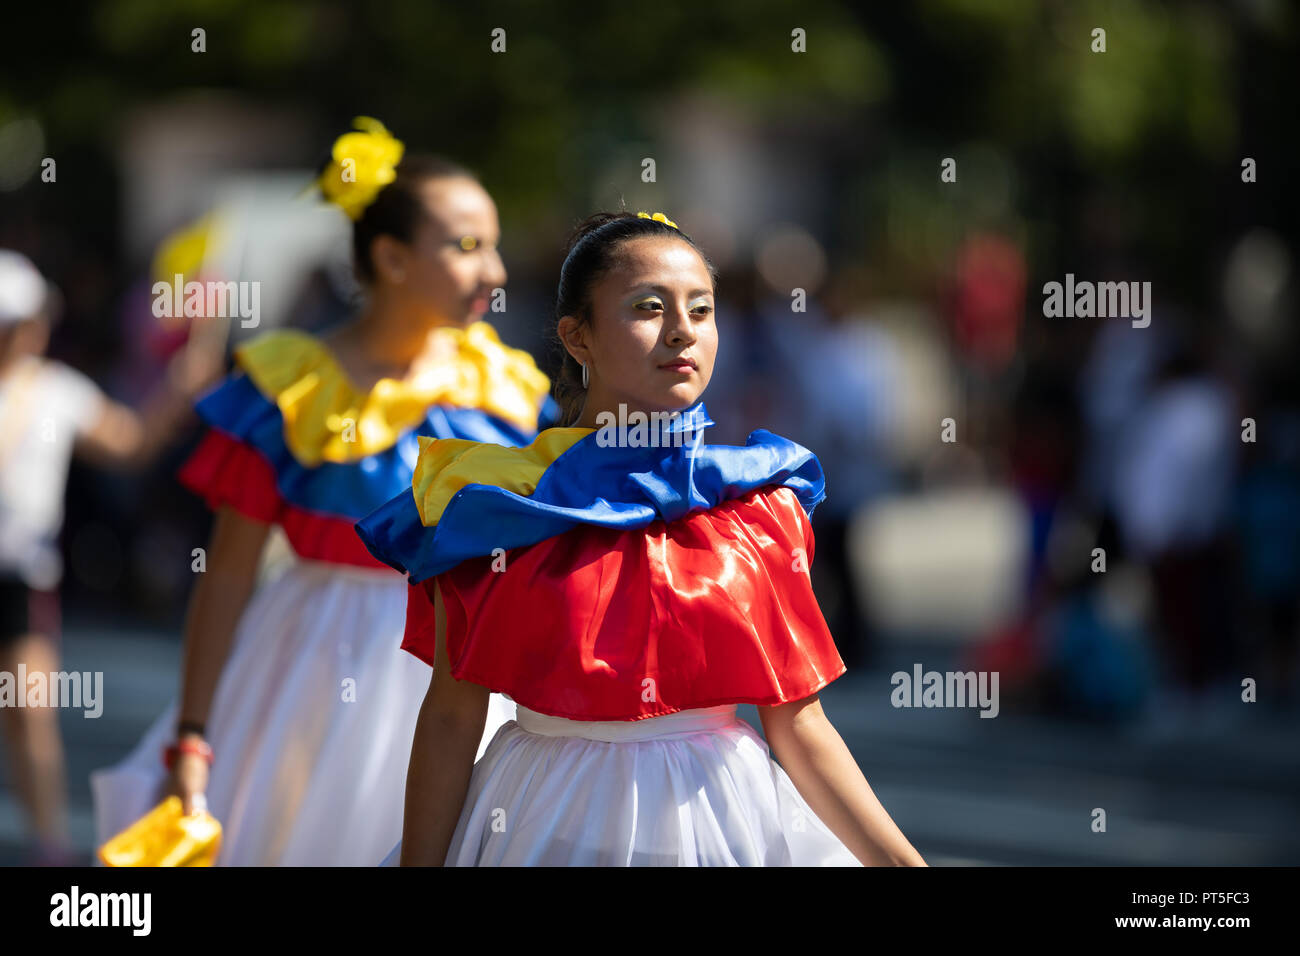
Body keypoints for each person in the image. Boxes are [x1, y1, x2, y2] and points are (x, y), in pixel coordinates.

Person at [357, 211, 926, 866]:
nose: (683, 331)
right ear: (578, 337)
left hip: (724, 826)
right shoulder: (492, 507)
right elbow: (454, 717)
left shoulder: (762, 504)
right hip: (544, 820)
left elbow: (800, 728)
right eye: (648, 307)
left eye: (703, 309)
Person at [91, 118, 553, 865]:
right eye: (467, 246)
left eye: (493, 245)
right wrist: (195, 733)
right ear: (392, 258)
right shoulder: (292, 384)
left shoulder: (502, 389)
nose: (495, 271)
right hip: (310, 664)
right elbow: (230, 571)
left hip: (464, 665)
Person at [0, 249, 221, 864]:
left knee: (30, 713)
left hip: (21, 577)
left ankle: (48, 845)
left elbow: (130, 443)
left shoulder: (56, 390)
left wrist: (178, 389)